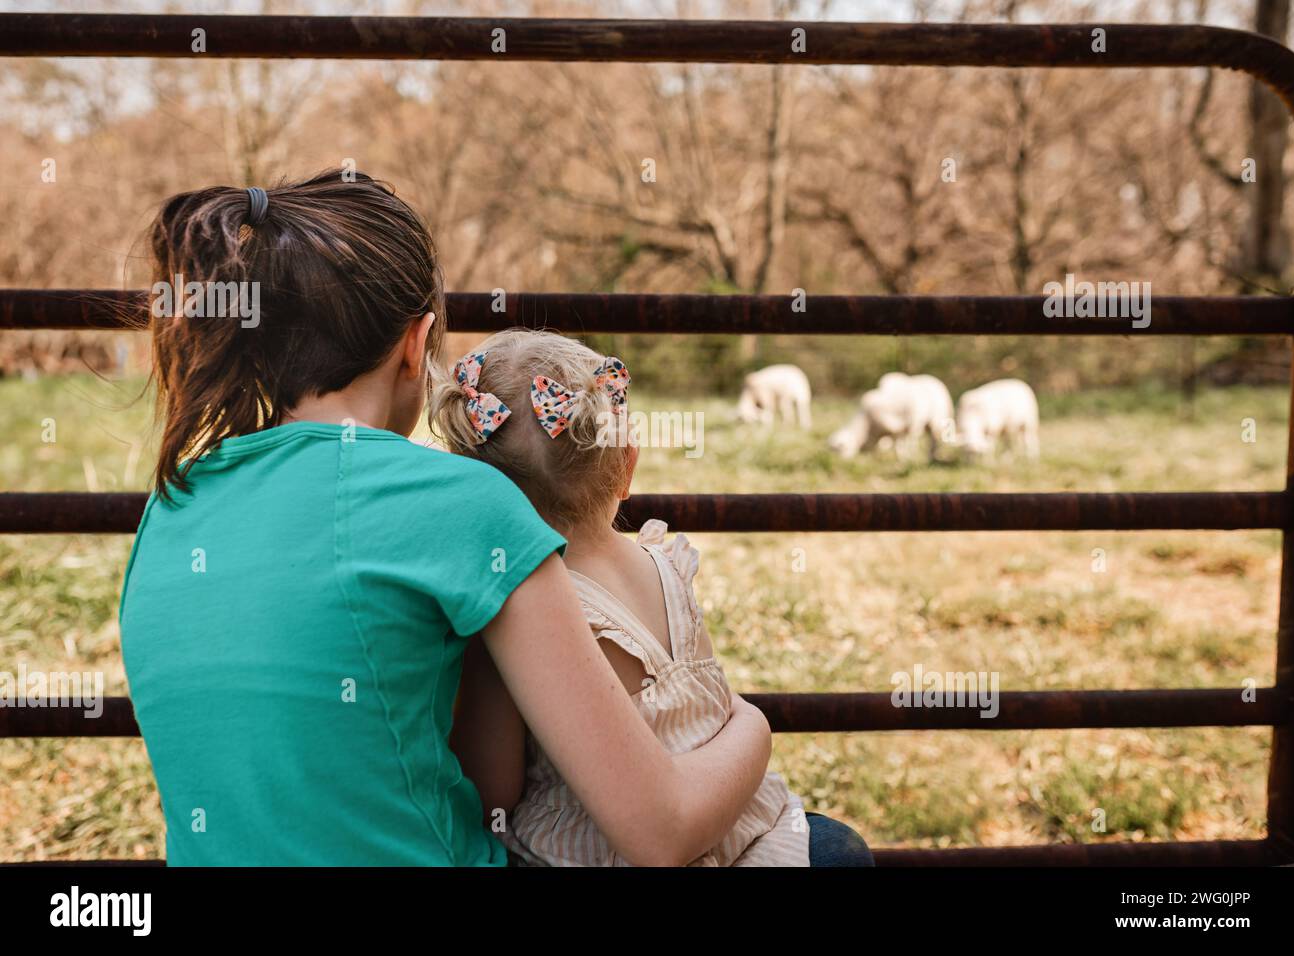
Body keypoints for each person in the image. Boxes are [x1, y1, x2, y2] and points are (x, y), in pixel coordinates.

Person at [119, 170, 772, 866]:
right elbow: (660, 830)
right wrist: (754, 723)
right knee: (829, 845)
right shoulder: (460, 499)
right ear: (416, 343)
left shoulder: (172, 501)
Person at [435, 328, 873, 866]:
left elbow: (492, 791)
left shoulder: (516, 609)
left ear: (477, 494)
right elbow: (714, 705)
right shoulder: (668, 566)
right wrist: (754, 727)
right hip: (749, 836)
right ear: (626, 467)